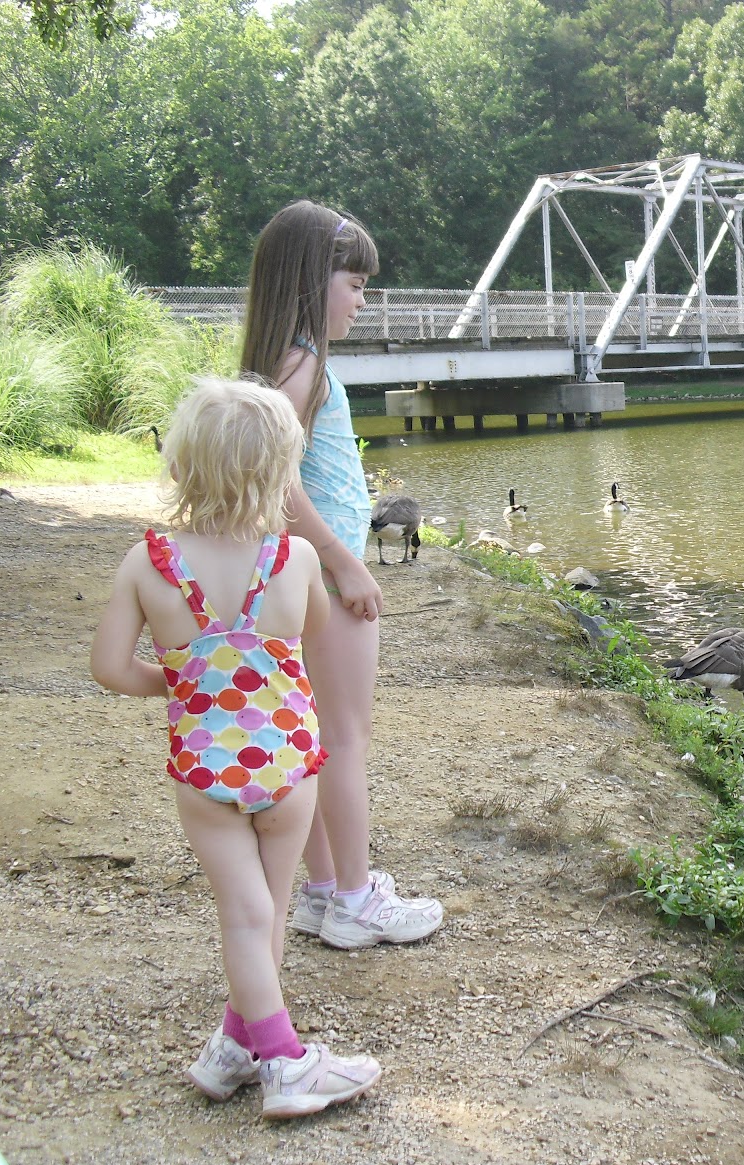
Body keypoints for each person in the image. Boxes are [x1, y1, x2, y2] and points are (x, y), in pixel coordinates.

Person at [90, 379, 381, 1118]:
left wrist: (177, 681)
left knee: (245, 915)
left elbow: (111, 669)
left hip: (204, 771)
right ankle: (284, 1062)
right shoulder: (294, 559)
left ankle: (236, 1046)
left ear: (181, 464)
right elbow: (309, 644)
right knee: (269, 913)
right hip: (288, 765)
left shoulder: (147, 563)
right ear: (282, 474)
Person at [240, 200, 443, 949]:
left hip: (295, 576)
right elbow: (277, 479)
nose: (363, 300)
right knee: (346, 737)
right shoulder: (304, 367)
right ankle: (356, 897)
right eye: (354, 283)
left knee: (320, 738)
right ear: (308, 279)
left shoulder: (282, 360)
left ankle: (326, 891)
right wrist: (345, 560)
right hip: (320, 578)